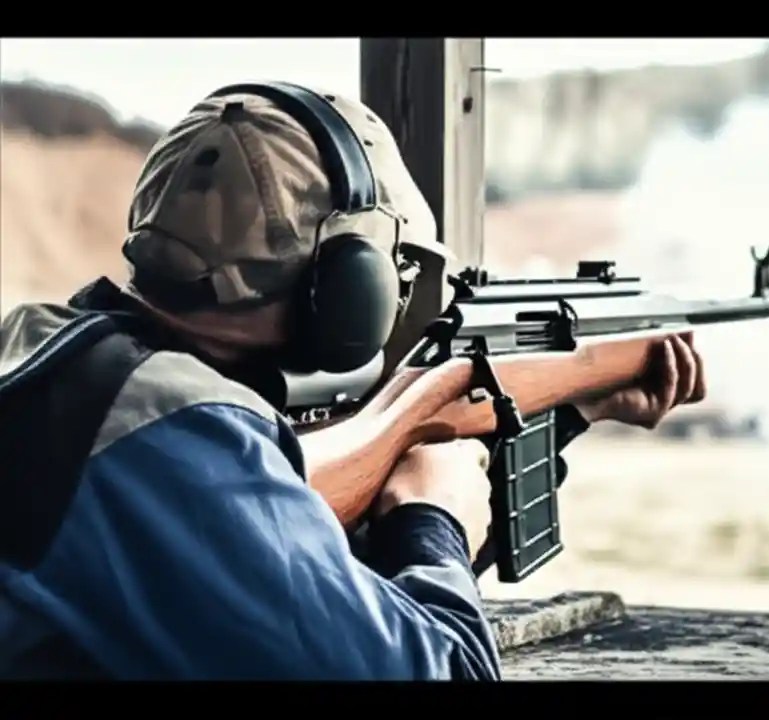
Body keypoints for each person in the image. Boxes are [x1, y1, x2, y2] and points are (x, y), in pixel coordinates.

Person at [0, 81, 705, 680]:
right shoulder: (175, 437)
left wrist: (574, 401)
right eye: (392, 276)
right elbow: (441, 667)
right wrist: (434, 522)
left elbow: (305, 598)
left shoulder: (54, 354)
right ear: (349, 286)